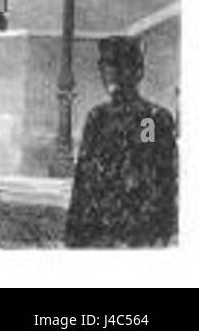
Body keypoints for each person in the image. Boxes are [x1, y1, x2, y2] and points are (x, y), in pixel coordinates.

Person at [65, 36, 177, 247]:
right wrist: (74, 233)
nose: (111, 73)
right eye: (106, 65)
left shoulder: (150, 118)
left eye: (120, 65)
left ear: (138, 72)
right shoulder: (97, 118)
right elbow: (83, 179)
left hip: (137, 232)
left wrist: (163, 230)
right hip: (98, 232)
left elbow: (158, 175)